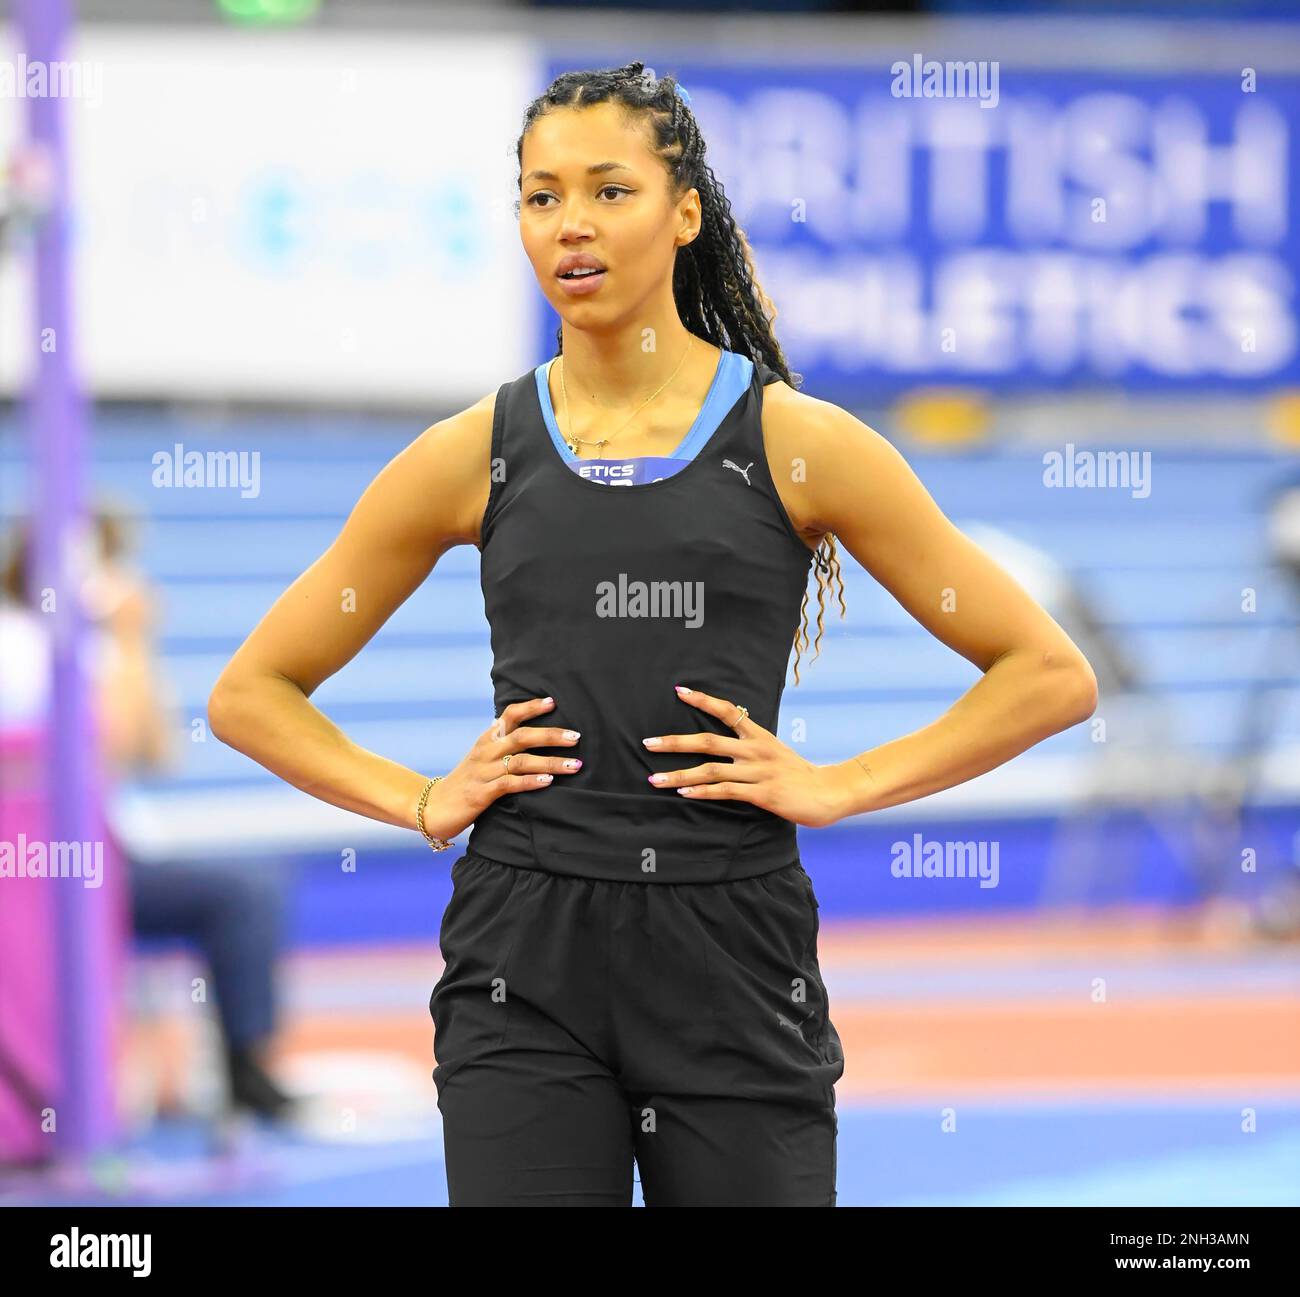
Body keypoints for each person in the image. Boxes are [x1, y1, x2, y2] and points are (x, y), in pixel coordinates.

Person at [208, 62, 1098, 1206]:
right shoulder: (470, 452)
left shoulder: (800, 444)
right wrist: (420, 797)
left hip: (731, 953)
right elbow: (252, 691)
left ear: (684, 213)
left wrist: (842, 782)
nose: (570, 224)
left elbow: (1046, 673)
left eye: (608, 190)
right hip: (520, 961)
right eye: (540, 196)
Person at [0, 507, 296, 1125]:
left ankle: (246, 1067)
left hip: (109, 855)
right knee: (239, 891)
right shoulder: (18, 642)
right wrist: (129, 639)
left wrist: (129, 645)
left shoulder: (97, 647)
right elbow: (115, 744)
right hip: (37, 868)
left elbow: (158, 753)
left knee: (249, 889)